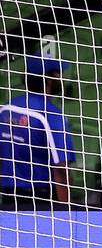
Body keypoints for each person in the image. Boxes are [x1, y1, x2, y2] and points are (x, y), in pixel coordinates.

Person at [0, 56, 74, 207]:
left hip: (7, 197)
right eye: (58, 74)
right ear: (48, 80)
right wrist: (66, 210)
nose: (62, 78)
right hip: (40, 199)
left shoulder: (6, 109)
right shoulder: (51, 115)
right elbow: (60, 168)